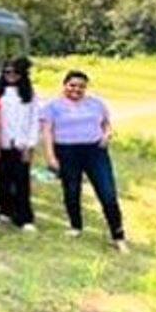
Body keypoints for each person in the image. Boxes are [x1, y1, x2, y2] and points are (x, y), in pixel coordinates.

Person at [41, 71, 128, 252]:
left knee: (107, 192)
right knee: (72, 190)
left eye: (81, 86)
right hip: (66, 151)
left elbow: (106, 123)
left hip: (94, 151)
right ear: (64, 85)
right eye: (72, 85)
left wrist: (107, 134)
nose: (76, 89)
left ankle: (118, 236)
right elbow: (47, 132)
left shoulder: (96, 103)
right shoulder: (52, 106)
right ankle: (76, 226)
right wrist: (50, 156)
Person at [0, 59, 39, 231]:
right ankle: (4, 211)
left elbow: (34, 121)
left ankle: (24, 217)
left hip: (22, 143)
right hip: (2, 142)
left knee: (22, 180)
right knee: (3, 178)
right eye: (7, 72)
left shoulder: (29, 94)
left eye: (15, 72)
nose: (11, 76)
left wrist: (30, 144)